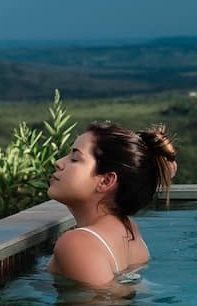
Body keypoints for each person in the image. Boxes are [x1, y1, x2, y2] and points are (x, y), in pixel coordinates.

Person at [47, 121, 177, 294]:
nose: (58, 163)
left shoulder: (78, 242)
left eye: (75, 159)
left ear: (106, 180)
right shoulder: (128, 229)